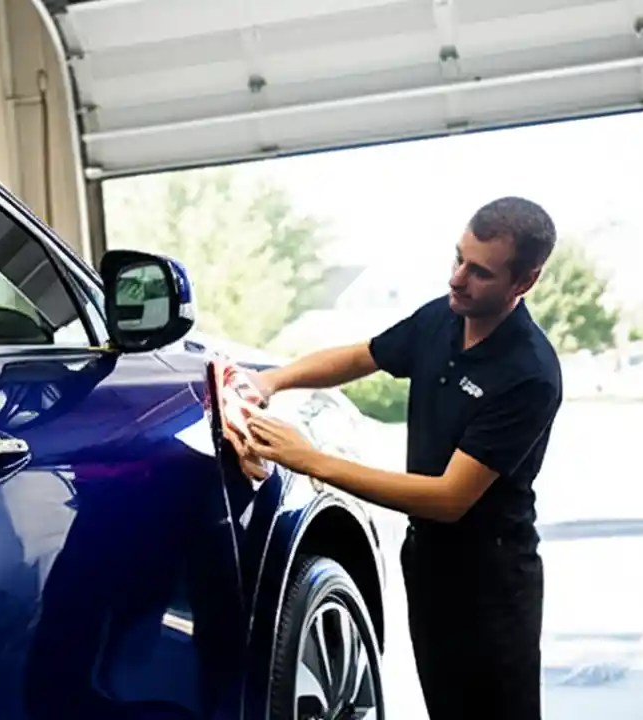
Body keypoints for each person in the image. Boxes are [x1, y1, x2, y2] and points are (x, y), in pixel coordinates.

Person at [228, 196, 563, 719]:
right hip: (427, 562)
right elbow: (363, 355)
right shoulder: (441, 319)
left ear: (524, 282)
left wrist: (311, 460)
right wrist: (270, 379)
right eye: (457, 259)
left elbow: (449, 498)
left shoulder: (529, 373)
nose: (457, 279)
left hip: (492, 585)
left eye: (480, 272)